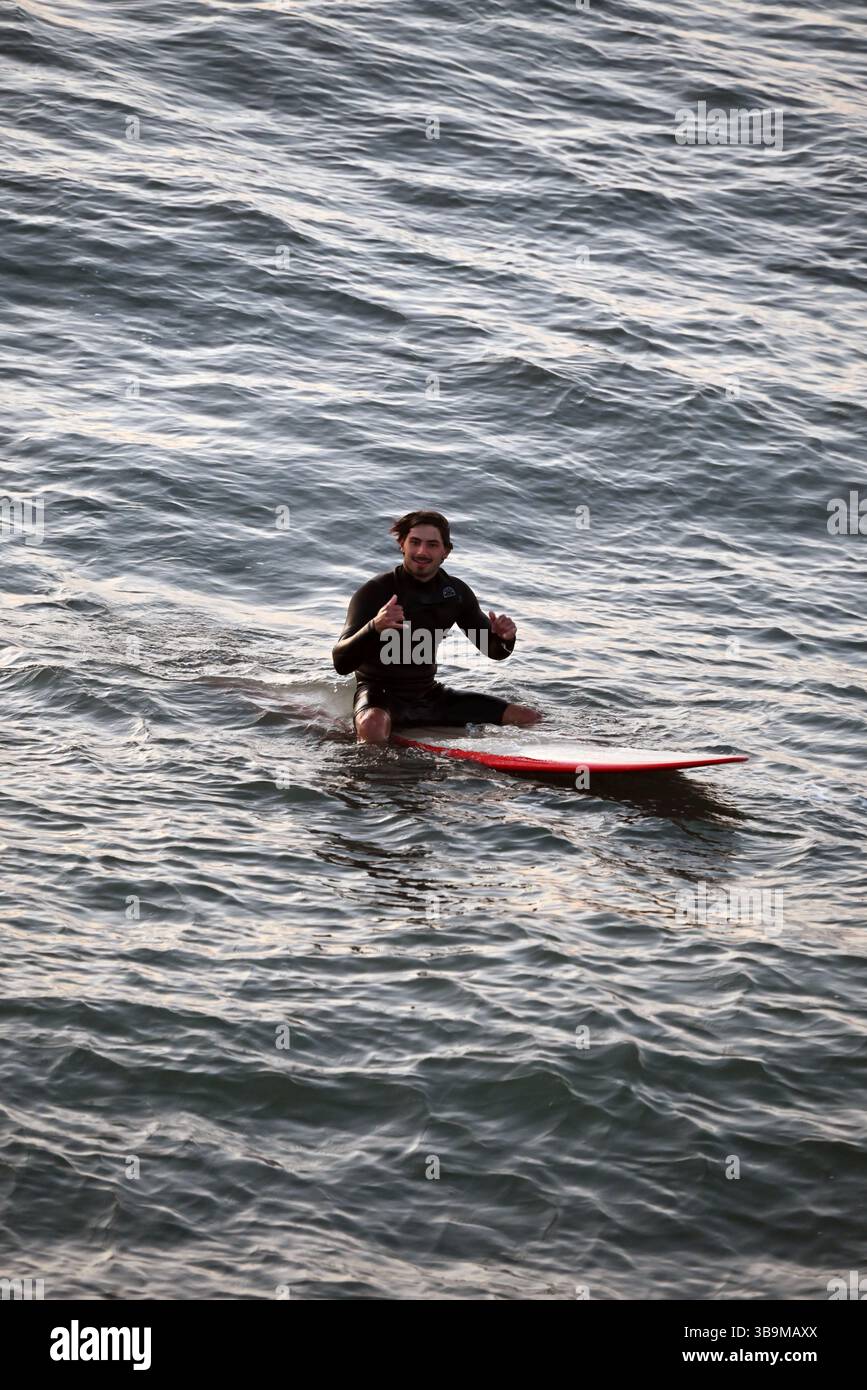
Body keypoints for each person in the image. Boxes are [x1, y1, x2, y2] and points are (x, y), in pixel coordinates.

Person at [332, 509, 542, 744]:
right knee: (373, 724)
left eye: (432, 545)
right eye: (415, 542)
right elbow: (340, 662)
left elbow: (494, 652)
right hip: (379, 696)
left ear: (446, 552)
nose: (422, 551)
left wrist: (505, 639)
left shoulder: (455, 594)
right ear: (402, 544)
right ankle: (378, 774)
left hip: (429, 696)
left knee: (526, 716)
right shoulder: (374, 592)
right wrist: (374, 627)